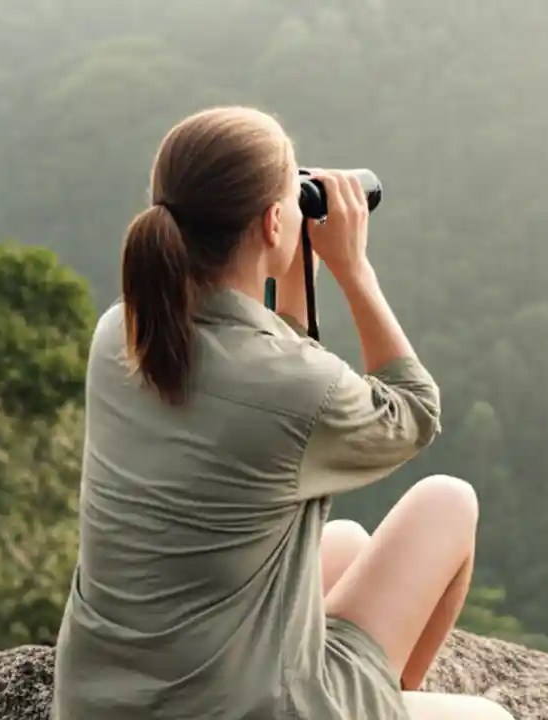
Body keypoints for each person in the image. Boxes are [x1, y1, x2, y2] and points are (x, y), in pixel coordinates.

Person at [51, 106, 512, 720]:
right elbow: (413, 411)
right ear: (274, 221)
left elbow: (268, 385)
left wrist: (296, 274)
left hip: (101, 702)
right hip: (236, 708)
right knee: (450, 504)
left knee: (345, 543)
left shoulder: (124, 334)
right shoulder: (291, 386)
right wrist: (352, 268)